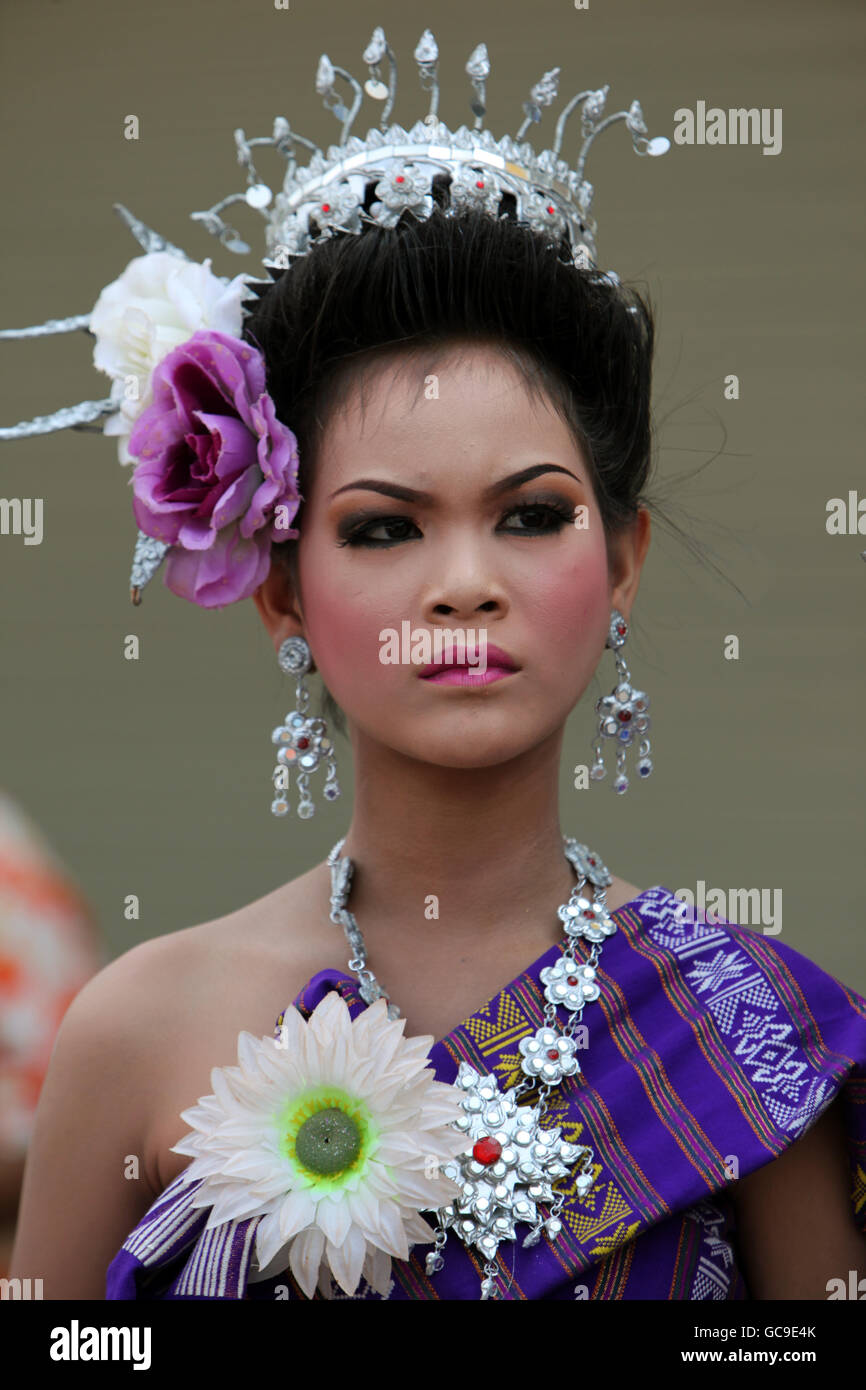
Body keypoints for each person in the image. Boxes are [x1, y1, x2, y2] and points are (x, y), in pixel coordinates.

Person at [5, 33, 866, 1300]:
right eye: (383, 526)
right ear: (284, 589)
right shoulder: (135, 1030)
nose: (464, 582)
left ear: (622, 561)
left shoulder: (745, 1032)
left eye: (531, 514)